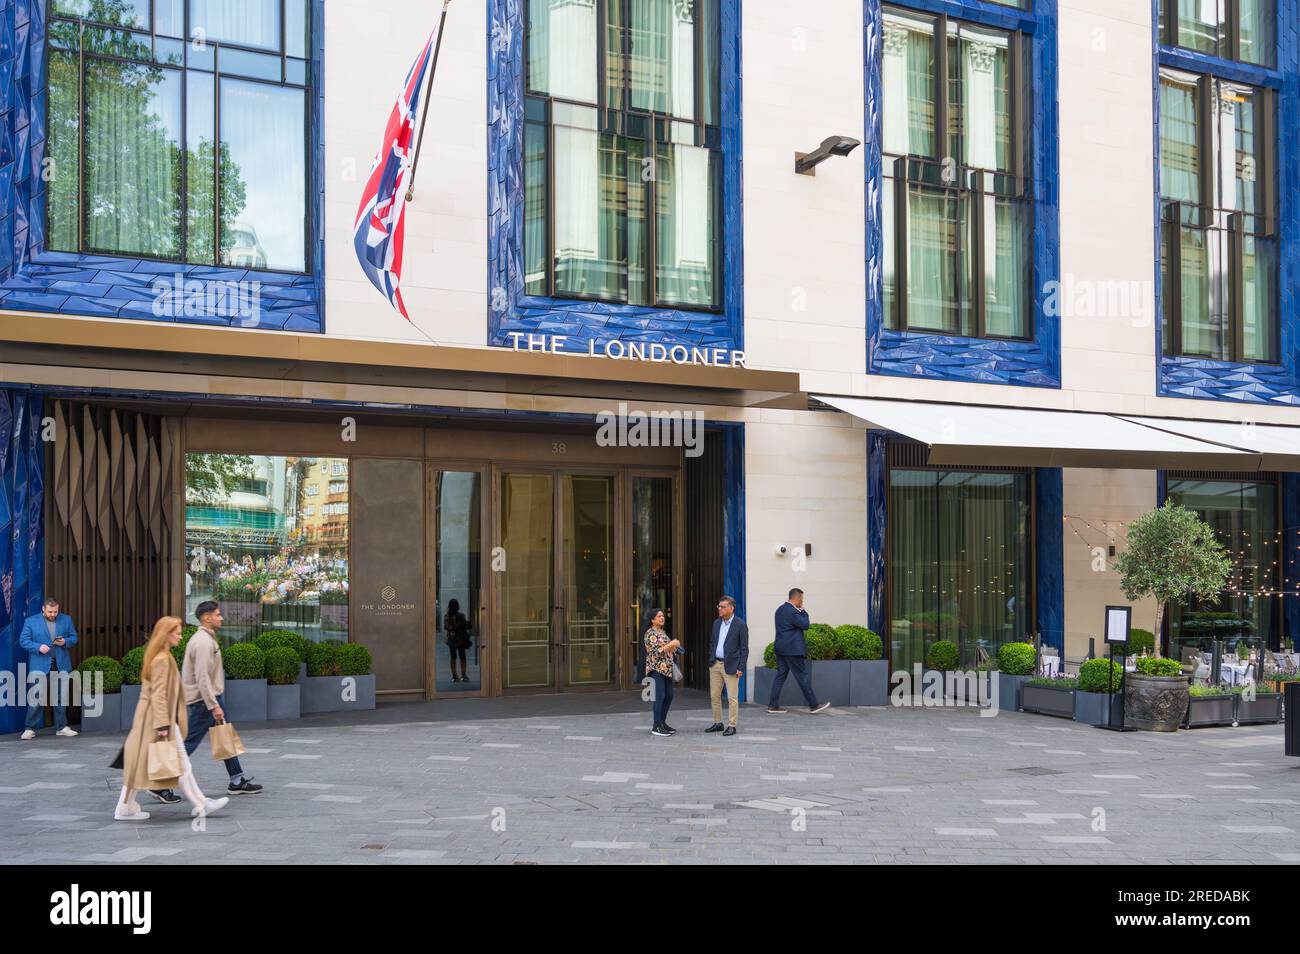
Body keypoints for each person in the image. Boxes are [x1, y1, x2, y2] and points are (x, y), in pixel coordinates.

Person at [113, 616, 229, 821]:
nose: (180, 635)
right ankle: (201, 803)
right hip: (159, 721)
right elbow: (159, 694)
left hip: (153, 720)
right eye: (176, 632)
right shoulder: (162, 660)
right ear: (166, 635)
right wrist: (163, 725)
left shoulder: (160, 656)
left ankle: (125, 807)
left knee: (140, 764)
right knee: (182, 763)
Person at [149, 601, 262, 805]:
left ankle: (236, 780)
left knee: (224, 737)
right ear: (207, 618)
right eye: (218, 615)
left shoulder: (207, 639)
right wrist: (214, 705)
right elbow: (202, 678)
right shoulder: (202, 642)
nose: (221, 618)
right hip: (204, 701)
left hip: (209, 699)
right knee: (188, 743)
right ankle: (160, 783)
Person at [18, 598, 79, 740]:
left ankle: (61, 727)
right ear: (43, 609)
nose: (53, 614)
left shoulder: (66, 619)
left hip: (61, 664)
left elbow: (74, 637)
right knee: (36, 697)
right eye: (50, 611)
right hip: (39, 665)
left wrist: (65, 642)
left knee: (61, 697)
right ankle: (29, 728)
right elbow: (23, 640)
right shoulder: (31, 621)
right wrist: (38, 647)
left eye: (56, 611)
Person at [767, 588, 830, 714]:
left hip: (781, 648)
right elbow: (805, 625)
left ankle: (773, 706)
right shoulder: (793, 612)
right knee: (802, 677)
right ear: (796, 598)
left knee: (780, 676)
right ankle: (814, 705)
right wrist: (804, 611)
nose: (802, 601)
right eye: (801, 599)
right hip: (792, 650)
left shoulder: (780, 609)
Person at [705, 596, 748, 736]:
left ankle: (732, 725)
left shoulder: (740, 624)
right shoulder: (716, 623)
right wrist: (711, 659)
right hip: (715, 664)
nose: (719, 609)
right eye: (719, 606)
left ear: (731, 608)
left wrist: (741, 667)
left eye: (723, 606)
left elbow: (744, 649)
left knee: (732, 698)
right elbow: (713, 642)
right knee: (714, 696)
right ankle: (718, 723)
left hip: (732, 665)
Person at [643, 608, 680, 737]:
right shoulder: (650, 633)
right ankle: (656, 726)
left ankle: (662, 723)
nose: (662, 618)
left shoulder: (662, 632)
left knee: (669, 695)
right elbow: (655, 652)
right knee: (659, 697)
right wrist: (671, 644)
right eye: (659, 616)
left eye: (663, 616)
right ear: (652, 620)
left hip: (666, 670)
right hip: (656, 669)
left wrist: (675, 647)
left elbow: (667, 649)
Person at [444, 598, 472, 684]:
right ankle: (463, 675)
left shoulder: (446, 616)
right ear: (457, 606)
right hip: (460, 640)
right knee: (462, 657)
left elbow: (445, 627)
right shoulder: (461, 615)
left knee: (453, 657)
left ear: (449, 606)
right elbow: (465, 627)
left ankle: (454, 676)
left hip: (451, 640)